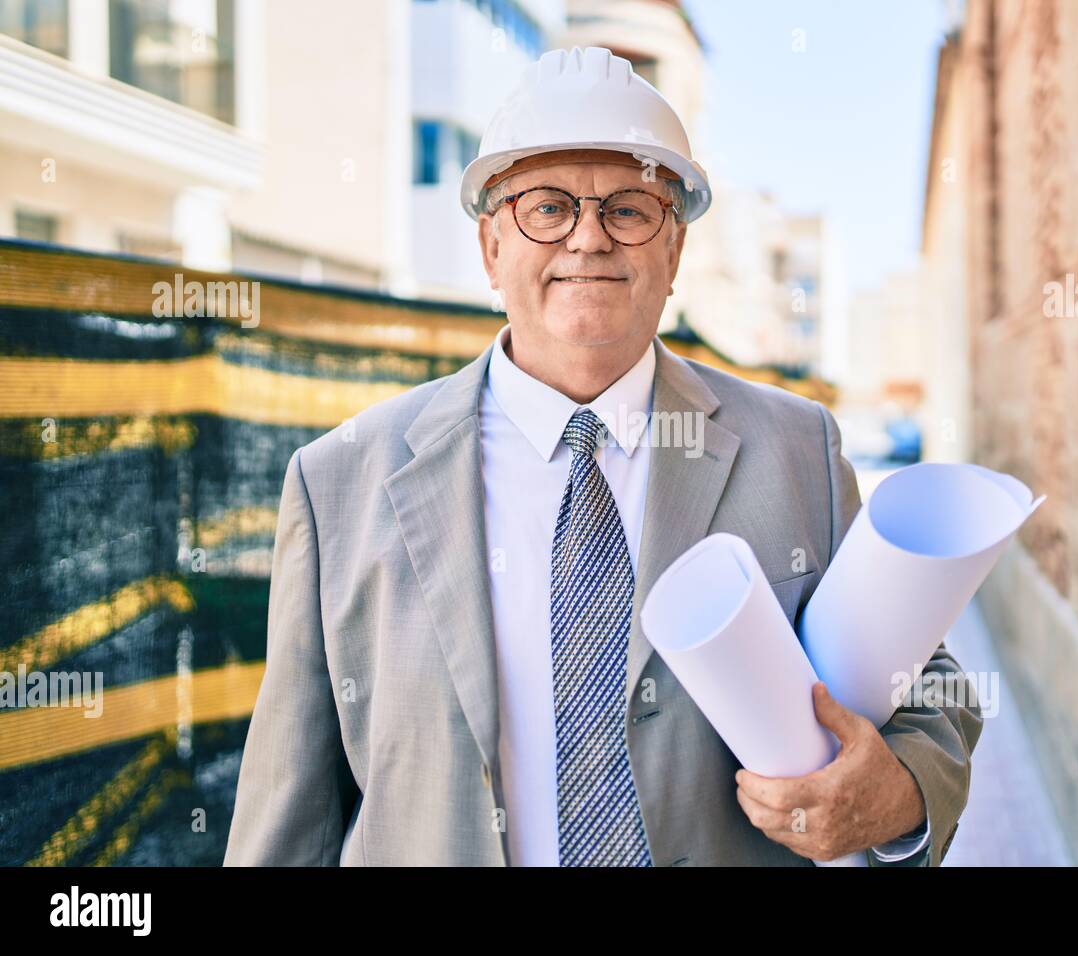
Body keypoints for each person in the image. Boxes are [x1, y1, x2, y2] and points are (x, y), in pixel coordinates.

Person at [225, 46, 982, 867]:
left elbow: (931, 687)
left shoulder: (795, 448)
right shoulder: (341, 482)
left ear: (675, 254)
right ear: (490, 248)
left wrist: (895, 795)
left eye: (629, 209)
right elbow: (288, 812)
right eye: (546, 208)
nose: (588, 238)